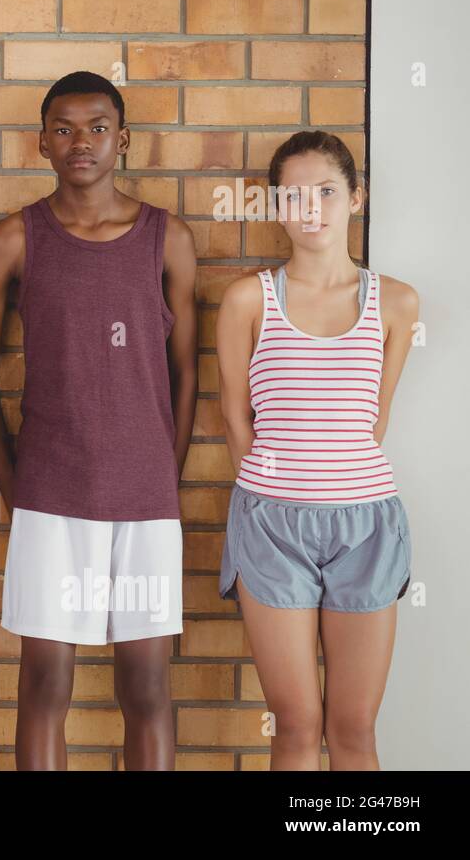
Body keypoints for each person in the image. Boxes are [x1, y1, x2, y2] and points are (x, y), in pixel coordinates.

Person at [0, 71, 198, 769]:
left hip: (145, 498)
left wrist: (164, 475)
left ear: (123, 139)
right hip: (51, 491)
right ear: (42, 142)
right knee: (44, 686)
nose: (81, 142)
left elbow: (187, 374)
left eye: (97, 127)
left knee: (147, 689)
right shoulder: (13, 238)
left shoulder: (168, 238)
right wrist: (13, 485)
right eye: (63, 129)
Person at [215, 130, 418, 769]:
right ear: (276, 207)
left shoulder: (396, 302)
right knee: (297, 726)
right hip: (271, 525)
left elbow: (374, 418)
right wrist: (280, 486)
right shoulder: (248, 299)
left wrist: (334, 481)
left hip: (366, 527)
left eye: (326, 191)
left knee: (354, 728)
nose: (310, 208)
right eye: (293, 195)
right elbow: (235, 418)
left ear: (356, 197)